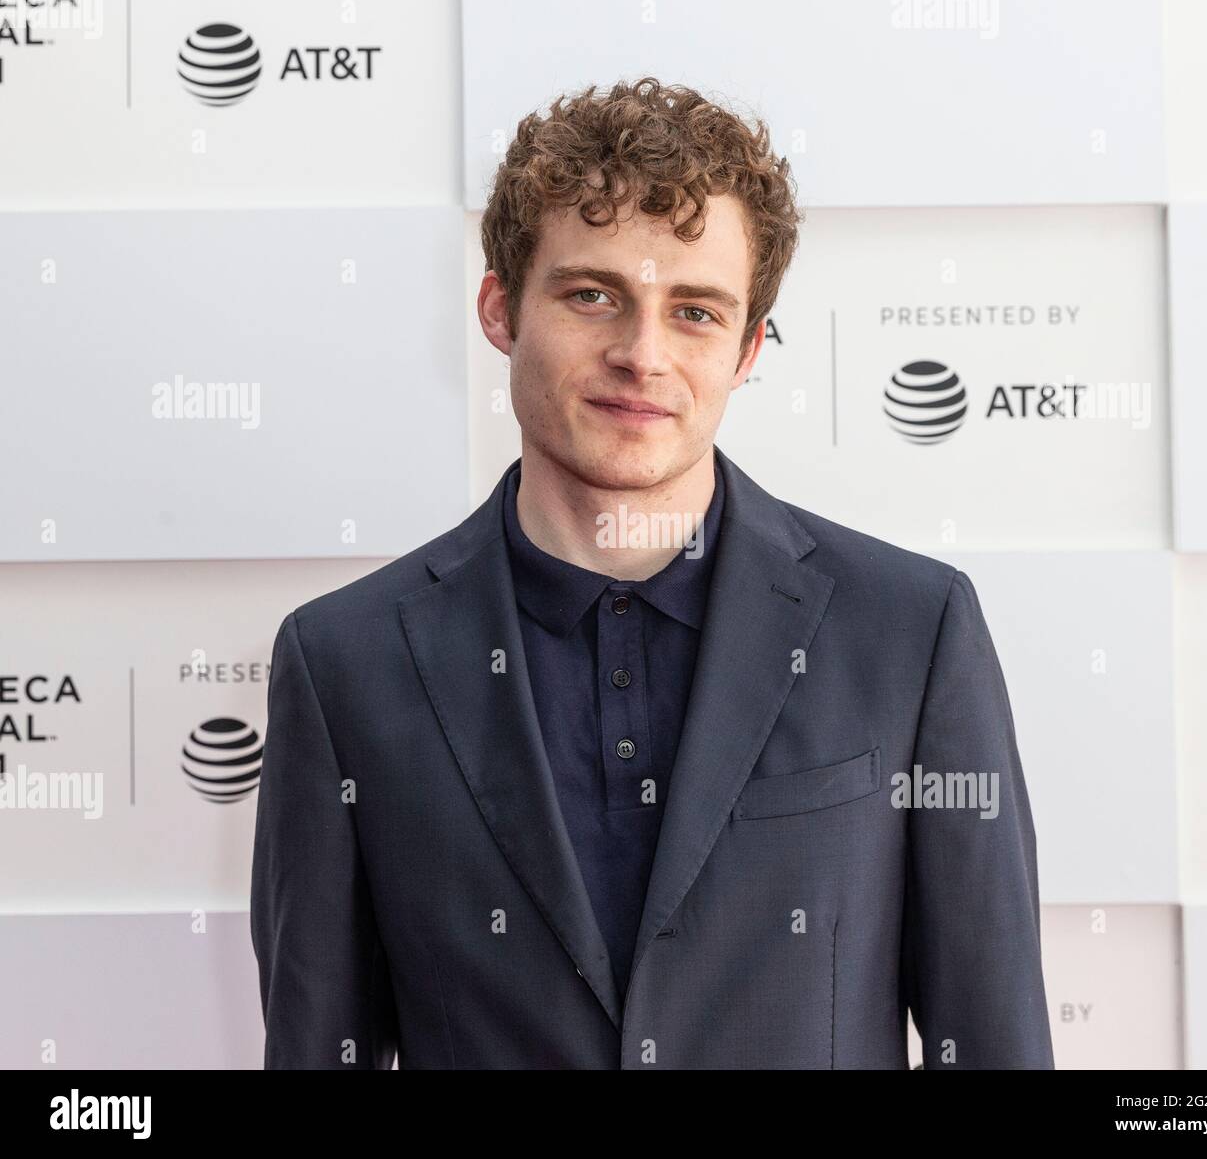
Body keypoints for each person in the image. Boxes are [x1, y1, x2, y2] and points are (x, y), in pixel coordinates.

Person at [250, 76, 1054, 1069]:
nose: (641, 354)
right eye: (593, 295)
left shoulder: (908, 631)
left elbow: (996, 1038)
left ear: (749, 348)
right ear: (500, 307)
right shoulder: (345, 664)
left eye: (696, 312)